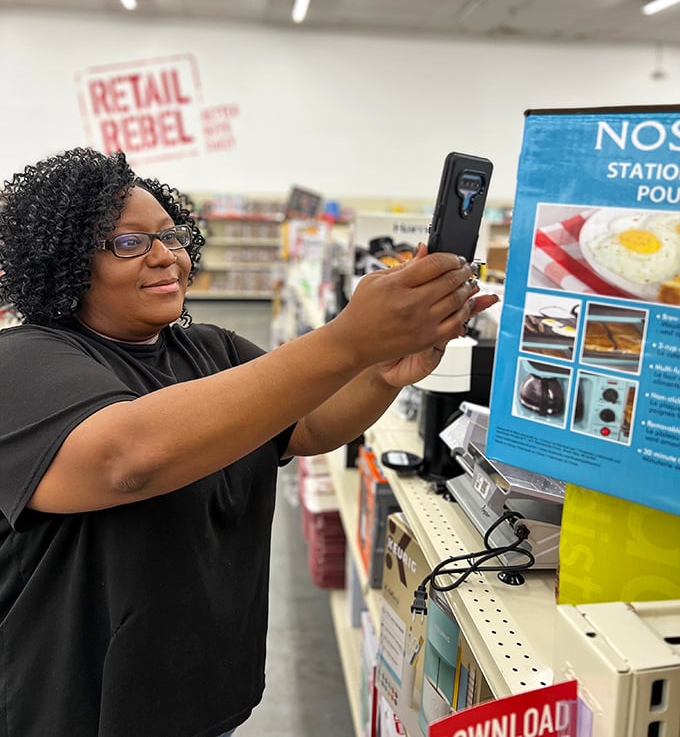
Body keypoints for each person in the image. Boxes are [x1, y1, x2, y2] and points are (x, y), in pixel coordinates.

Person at [0, 147, 498, 737]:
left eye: (171, 235)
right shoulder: (22, 362)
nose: (165, 256)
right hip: (72, 707)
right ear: (64, 263)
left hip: (201, 695)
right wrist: (349, 339)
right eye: (129, 243)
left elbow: (307, 426)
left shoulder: (213, 349)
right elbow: (125, 461)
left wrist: (381, 372)